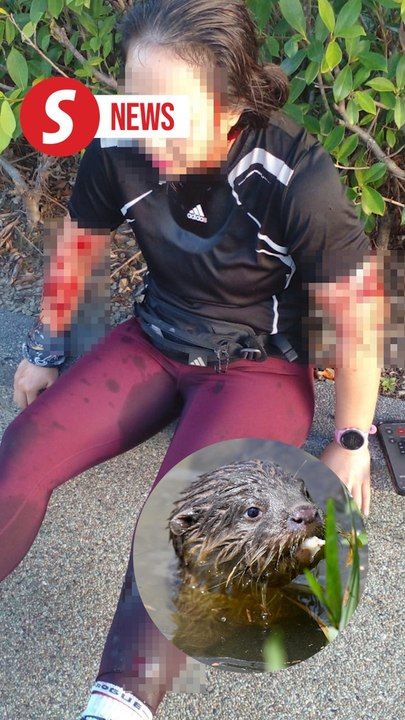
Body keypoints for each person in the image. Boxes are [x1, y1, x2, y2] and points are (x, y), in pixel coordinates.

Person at [0, 1, 382, 718]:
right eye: (137, 104)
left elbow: (356, 313)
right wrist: (44, 346)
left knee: (184, 525)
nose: (147, 130)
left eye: (169, 114)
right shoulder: (121, 137)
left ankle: (117, 706)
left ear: (230, 107)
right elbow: (80, 238)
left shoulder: (295, 174)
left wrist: (352, 437)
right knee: (17, 460)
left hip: (259, 366)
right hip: (155, 337)